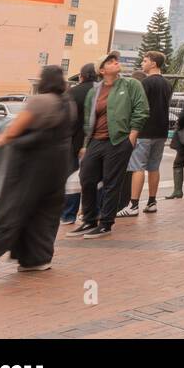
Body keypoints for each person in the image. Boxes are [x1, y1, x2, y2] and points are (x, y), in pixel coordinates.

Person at [0, 65, 79, 279]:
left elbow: (13, 131)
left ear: (43, 81)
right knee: (45, 214)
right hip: (58, 166)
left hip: (31, 165)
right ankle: (36, 259)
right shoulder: (68, 103)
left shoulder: (40, 101)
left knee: (12, 210)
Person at [71, 52, 147, 238]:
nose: (116, 63)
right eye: (110, 62)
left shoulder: (131, 85)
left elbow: (141, 110)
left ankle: (105, 223)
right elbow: (89, 120)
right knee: (86, 178)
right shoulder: (94, 91)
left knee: (111, 183)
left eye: (116, 61)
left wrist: (132, 136)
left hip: (118, 140)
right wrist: (85, 144)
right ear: (102, 70)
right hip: (96, 141)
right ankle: (89, 220)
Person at [119, 50, 173, 217]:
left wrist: (133, 131)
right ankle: (151, 202)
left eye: (145, 61)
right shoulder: (167, 84)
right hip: (161, 131)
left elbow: (139, 108)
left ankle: (133, 204)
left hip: (145, 131)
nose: (142, 64)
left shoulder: (145, 83)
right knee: (154, 167)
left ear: (153, 64)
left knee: (137, 167)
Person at [61, 64, 97, 224]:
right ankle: (92, 212)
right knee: (94, 179)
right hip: (97, 141)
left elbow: (66, 119)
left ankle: (69, 214)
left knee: (72, 178)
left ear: (81, 76)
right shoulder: (102, 90)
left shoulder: (73, 92)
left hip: (75, 141)